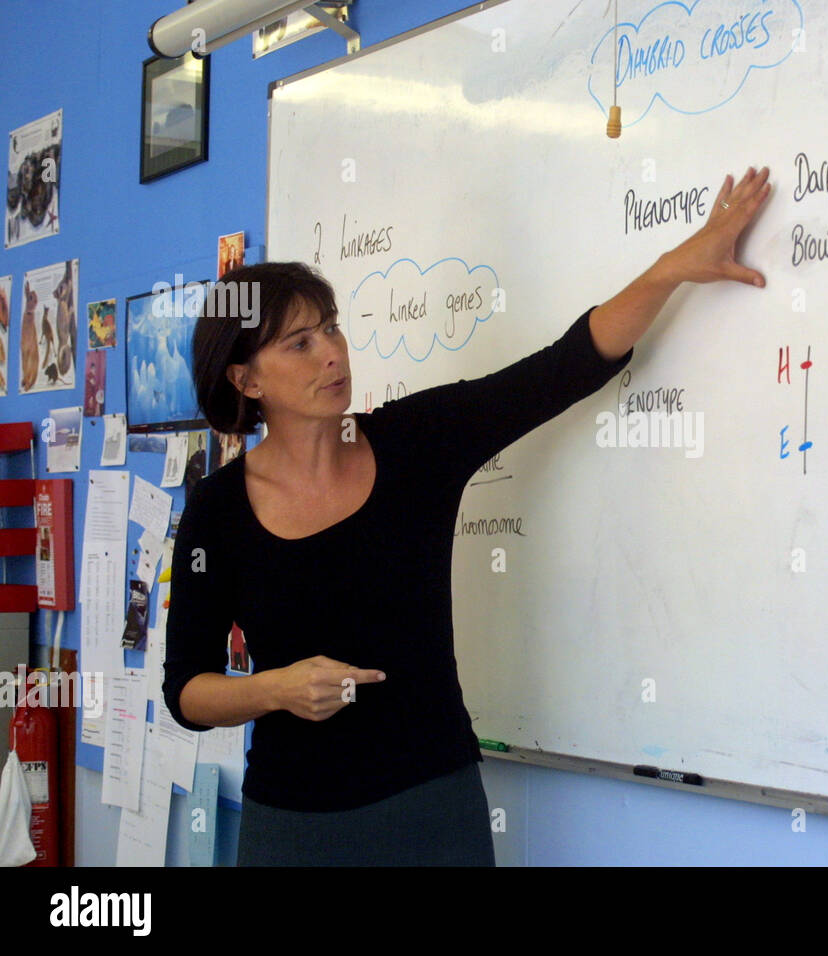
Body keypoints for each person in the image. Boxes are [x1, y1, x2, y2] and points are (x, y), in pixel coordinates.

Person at [162, 166, 772, 866]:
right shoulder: (217, 511)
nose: (332, 351)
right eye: (299, 343)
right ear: (246, 380)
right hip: (294, 826)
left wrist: (674, 268)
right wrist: (275, 690)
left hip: (432, 807)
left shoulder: (413, 444)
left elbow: (563, 369)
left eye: (330, 328)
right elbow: (188, 690)